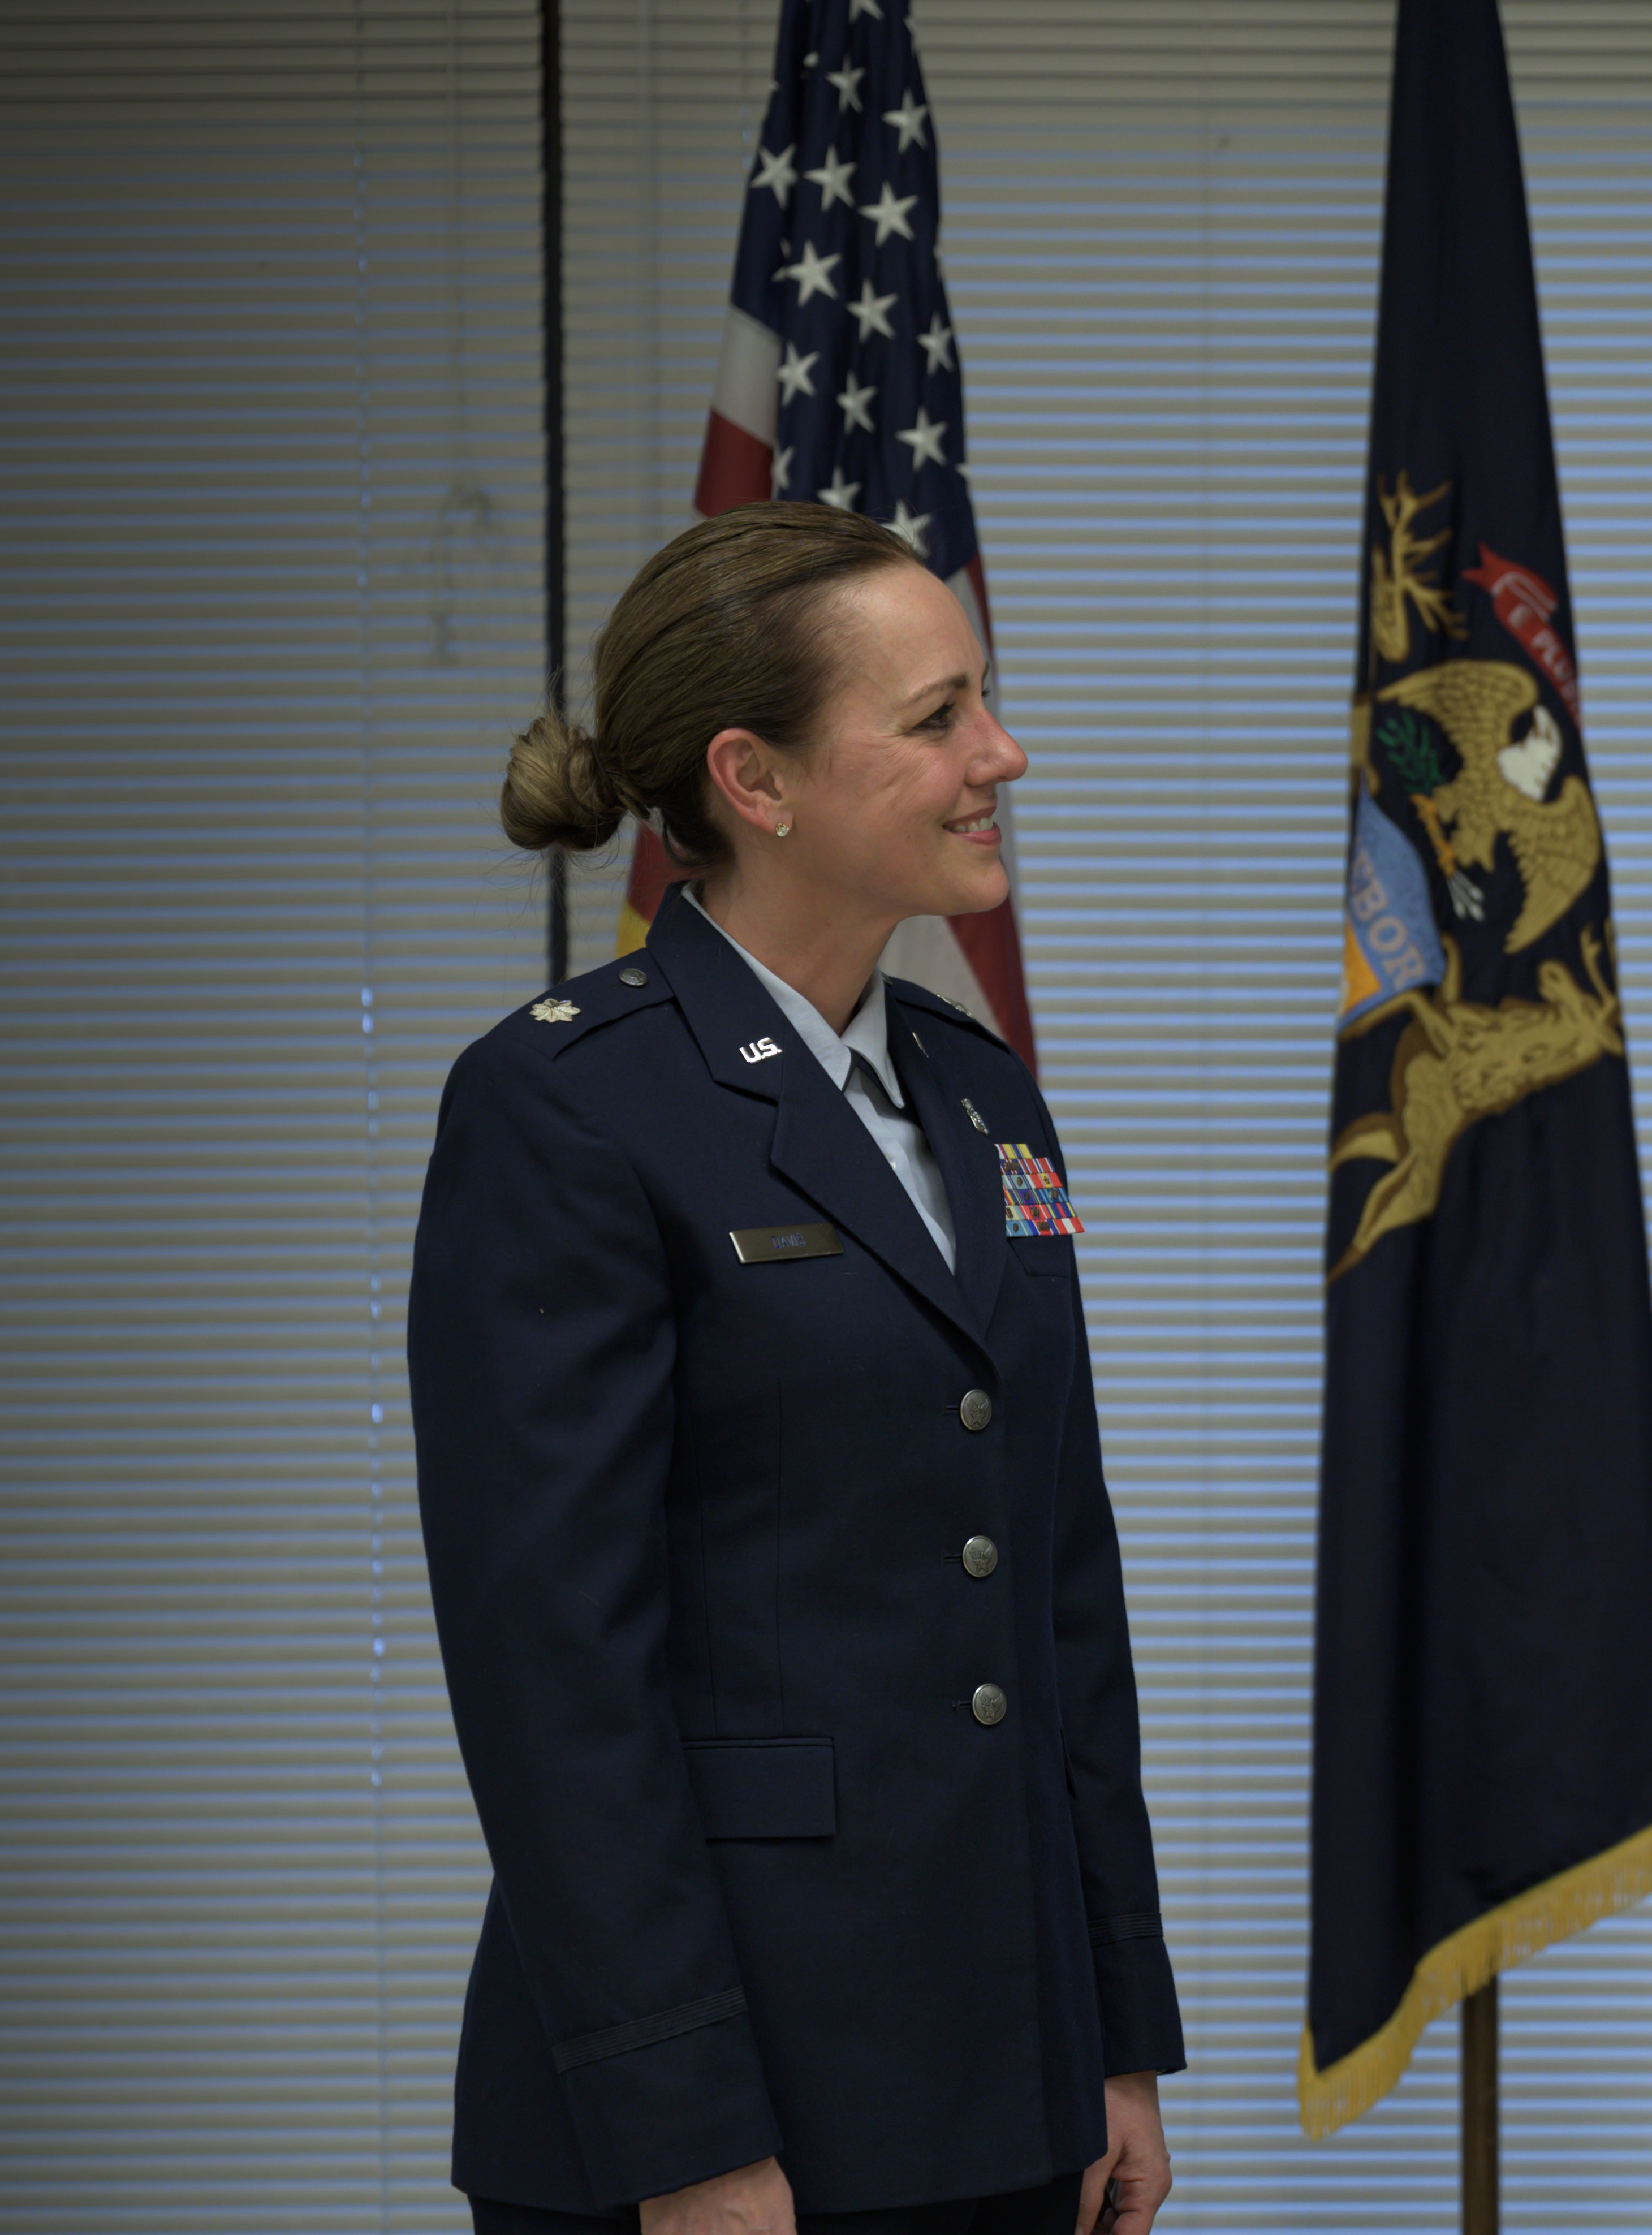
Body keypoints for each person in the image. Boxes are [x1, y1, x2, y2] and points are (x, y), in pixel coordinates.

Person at [409, 504, 1182, 2235]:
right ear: (753, 781)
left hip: (1001, 2088)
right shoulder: (571, 1107)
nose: (1004, 753)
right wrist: (684, 2134)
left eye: (982, 702)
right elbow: (554, 1684)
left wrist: (1114, 2039)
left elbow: (1061, 1591)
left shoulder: (981, 1097)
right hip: (719, 2110)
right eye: (936, 720)